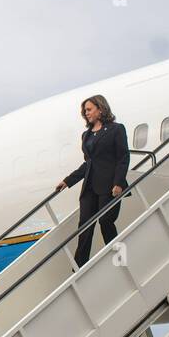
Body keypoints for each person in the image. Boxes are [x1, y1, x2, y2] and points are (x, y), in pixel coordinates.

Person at [55, 94, 129, 267]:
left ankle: (119, 260)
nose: (85, 113)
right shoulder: (86, 135)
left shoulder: (116, 129)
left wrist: (118, 183)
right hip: (89, 187)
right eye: (84, 111)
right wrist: (67, 181)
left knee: (105, 221)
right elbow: (88, 163)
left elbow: (123, 158)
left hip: (109, 186)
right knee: (85, 226)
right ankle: (79, 266)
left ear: (100, 108)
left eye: (89, 109)